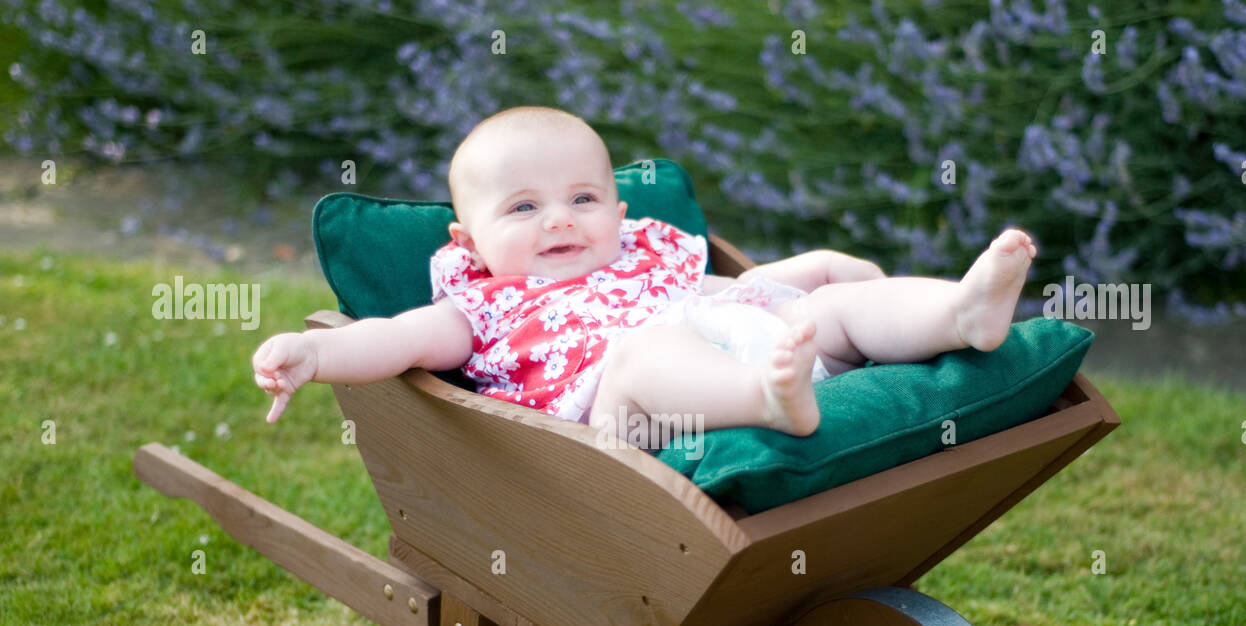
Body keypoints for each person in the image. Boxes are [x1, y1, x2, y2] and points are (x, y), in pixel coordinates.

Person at [253, 105, 1037, 449]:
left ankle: (958, 314)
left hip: (733, 342)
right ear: (470, 241)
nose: (560, 220)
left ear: (618, 209)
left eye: (583, 200)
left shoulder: (637, 253)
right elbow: (390, 339)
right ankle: (768, 402)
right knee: (643, 351)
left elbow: (718, 296)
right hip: (621, 418)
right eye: (524, 207)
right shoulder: (479, 303)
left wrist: (811, 286)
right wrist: (316, 355)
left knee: (832, 296)